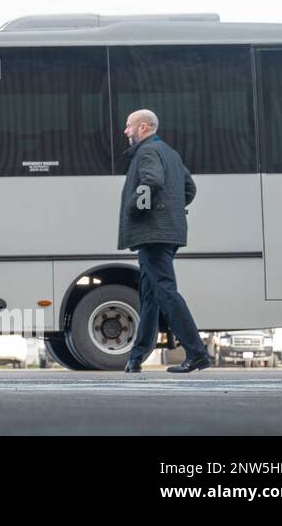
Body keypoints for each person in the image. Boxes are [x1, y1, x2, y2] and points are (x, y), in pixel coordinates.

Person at [119, 109, 211, 374]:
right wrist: (170, 210)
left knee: (165, 291)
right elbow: (189, 188)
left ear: (143, 128)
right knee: (149, 294)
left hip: (153, 233)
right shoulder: (170, 153)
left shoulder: (146, 152)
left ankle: (196, 353)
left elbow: (152, 181)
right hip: (167, 233)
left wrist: (135, 208)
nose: (126, 131)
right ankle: (136, 358)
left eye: (129, 126)